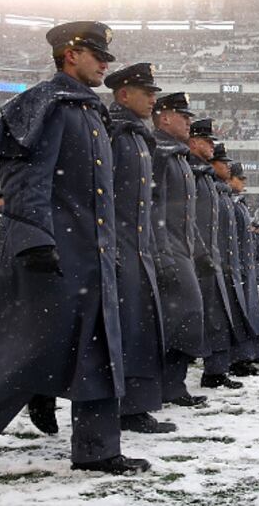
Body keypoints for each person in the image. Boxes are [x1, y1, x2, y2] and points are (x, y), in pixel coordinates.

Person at [0, 21, 149, 480]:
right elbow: (24, 177)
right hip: (55, 252)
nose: (105, 64)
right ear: (71, 55)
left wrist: (107, 248)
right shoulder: (47, 104)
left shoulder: (87, 110)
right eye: (97, 55)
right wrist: (34, 239)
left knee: (99, 353)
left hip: (90, 254)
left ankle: (96, 449)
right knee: (33, 353)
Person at [105, 63, 175, 433]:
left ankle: (134, 407)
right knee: (124, 333)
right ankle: (127, 408)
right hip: (119, 247)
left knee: (139, 330)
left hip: (137, 248)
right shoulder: (115, 134)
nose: (152, 100)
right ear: (123, 95)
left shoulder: (136, 136)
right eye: (146, 93)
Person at [150, 92, 209, 407]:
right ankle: (168, 385)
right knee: (181, 318)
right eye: (182, 116)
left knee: (186, 318)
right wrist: (162, 254)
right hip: (167, 248)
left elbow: (187, 216)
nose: (188, 122)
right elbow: (154, 207)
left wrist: (199, 252)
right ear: (164, 118)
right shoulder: (160, 153)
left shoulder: (178, 156)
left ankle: (173, 384)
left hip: (180, 248)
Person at [189, 119, 243, 389]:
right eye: (207, 141)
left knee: (218, 319)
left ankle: (217, 370)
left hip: (212, 261)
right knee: (191, 320)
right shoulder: (196, 176)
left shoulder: (210, 183)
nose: (228, 168)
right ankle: (175, 382)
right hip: (196, 260)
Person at [210, 143, 259, 377]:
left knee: (246, 312)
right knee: (235, 314)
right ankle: (238, 359)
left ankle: (248, 354)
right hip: (231, 266)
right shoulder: (225, 201)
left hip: (240, 265)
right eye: (239, 179)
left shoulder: (235, 203)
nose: (243, 183)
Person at [228, 161, 259, 365]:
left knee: (251, 312)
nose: (244, 182)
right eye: (240, 178)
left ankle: (254, 352)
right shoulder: (231, 204)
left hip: (246, 265)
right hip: (238, 265)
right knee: (241, 313)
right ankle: (244, 356)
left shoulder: (239, 204)